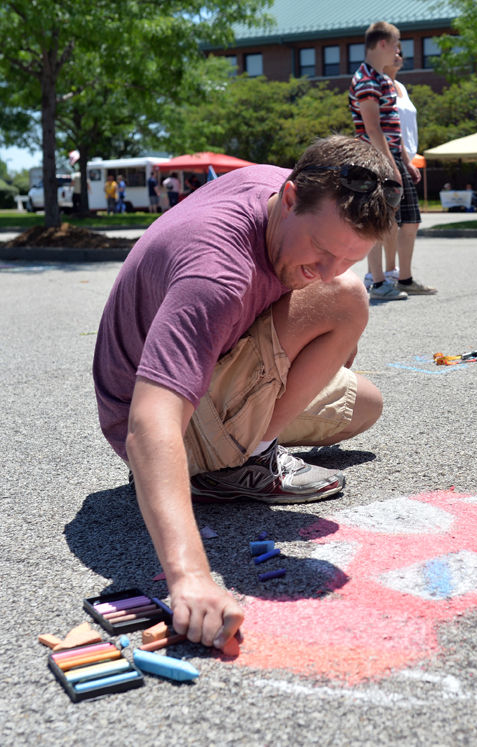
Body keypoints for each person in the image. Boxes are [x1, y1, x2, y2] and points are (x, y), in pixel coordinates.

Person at [92, 134, 398, 652]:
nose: (325, 272)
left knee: (364, 402)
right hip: (157, 415)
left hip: (215, 373)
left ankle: (245, 450)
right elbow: (151, 421)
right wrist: (188, 574)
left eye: (349, 258)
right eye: (322, 251)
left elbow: (314, 304)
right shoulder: (217, 273)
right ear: (292, 197)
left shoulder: (272, 189)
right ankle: (239, 465)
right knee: (345, 300)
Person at [351, 22, 433, 301]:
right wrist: (390, 165)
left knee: (408, 220)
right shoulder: (365, 79)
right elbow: (373, 129)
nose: (399, 51)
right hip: (374, 158)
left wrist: (405, 161)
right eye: (396, 45)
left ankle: (404, 279)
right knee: (378, 221)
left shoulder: (385, 81)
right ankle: (378, 282)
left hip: (395, 156)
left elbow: (394, 129)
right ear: (383, 44)